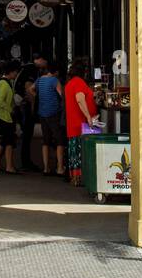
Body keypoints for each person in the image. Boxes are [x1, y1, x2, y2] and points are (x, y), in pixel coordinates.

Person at [63, 57, 99, 187]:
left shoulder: (70, 83)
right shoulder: (78, 82)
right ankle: (81, 178)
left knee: (74, 151)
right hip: (81, 124)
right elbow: (80, 98)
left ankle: (75, 177)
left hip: (74, 124)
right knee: (82, 151)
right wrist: (89, 117)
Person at [13, 54, 45, 171]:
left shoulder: (26, 67)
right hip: (25, 105)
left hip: (20, 104)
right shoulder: (32, 69)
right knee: (27, 134)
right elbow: (28, 87)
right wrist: (32, 107)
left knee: (26, 134)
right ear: (40, 60)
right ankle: (26, 162)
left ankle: (26, 160)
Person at [35, 59, 65, 176]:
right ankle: (59, 168)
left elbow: (31, 89)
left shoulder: (40, 79)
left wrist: (39, 97)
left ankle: (46, 168)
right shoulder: (54, 80)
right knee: (59, 140)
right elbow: (62, 95)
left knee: (46, 141)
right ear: (56, 72)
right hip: (54, 113)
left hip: (42, 113)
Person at [0, 60, 21, 173]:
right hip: (5, 117)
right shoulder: (5, 84)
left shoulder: (4, 82)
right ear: (12, 72)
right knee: (9, 142)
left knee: (5, 141)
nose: (16, 74)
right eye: (16, 72)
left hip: (3, 116)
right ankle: (9, 166)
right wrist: (11, 109)